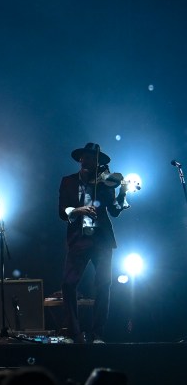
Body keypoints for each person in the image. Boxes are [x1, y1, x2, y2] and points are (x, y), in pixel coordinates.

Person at [58, 142, 128, 343]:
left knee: (103, 284)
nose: (91, 161)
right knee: (68, 283)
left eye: (95, 159)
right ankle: (73, 332)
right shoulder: (68, 181)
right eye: (87, 157)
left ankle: (97, 333)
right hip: (78, 239)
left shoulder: (106, 183)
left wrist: (122, 192)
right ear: (81, 159)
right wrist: (78, 210)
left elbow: (114, 211)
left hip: (102, 240)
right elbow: (62, 211)